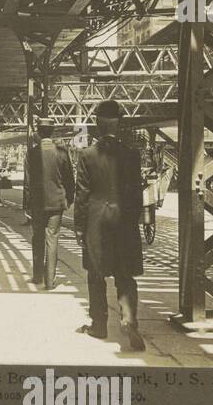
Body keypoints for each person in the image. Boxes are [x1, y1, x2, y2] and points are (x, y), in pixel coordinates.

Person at [74, 100, 145, 351]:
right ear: (119, 124)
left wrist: (79, 227)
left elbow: (81, 194)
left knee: (96, 275)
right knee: (125, 275)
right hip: (124, 222)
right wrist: (132, 220)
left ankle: (99, 324)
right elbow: (137, 195)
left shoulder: (86, 155)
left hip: (96, 222)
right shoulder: (131, 154)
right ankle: (128, 319)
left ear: (97, 124)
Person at [25, 117, 75, 289]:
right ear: (52, 132)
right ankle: (49, 281)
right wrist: (69, 199)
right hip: (56, 203)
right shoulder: (62, 152)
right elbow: (70, 179)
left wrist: (27, 204)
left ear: (39, 132)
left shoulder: (32, 153)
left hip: (38, 203)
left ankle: (37, 276)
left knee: (37, 238)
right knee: (52, 239)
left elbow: (28, 181)